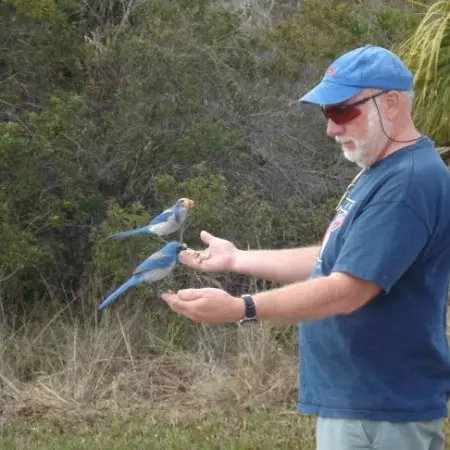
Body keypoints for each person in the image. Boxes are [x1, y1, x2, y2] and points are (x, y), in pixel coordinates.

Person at [161, 44, 450, 450]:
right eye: (326, 114)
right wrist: (239, 258)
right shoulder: (384, 172)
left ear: (391, 104)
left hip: (380, 412)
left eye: (342, 111)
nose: (331, 128)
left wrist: (241, 309)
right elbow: (337, 258)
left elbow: (348, 289)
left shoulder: (408, 182)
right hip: (363, 405)